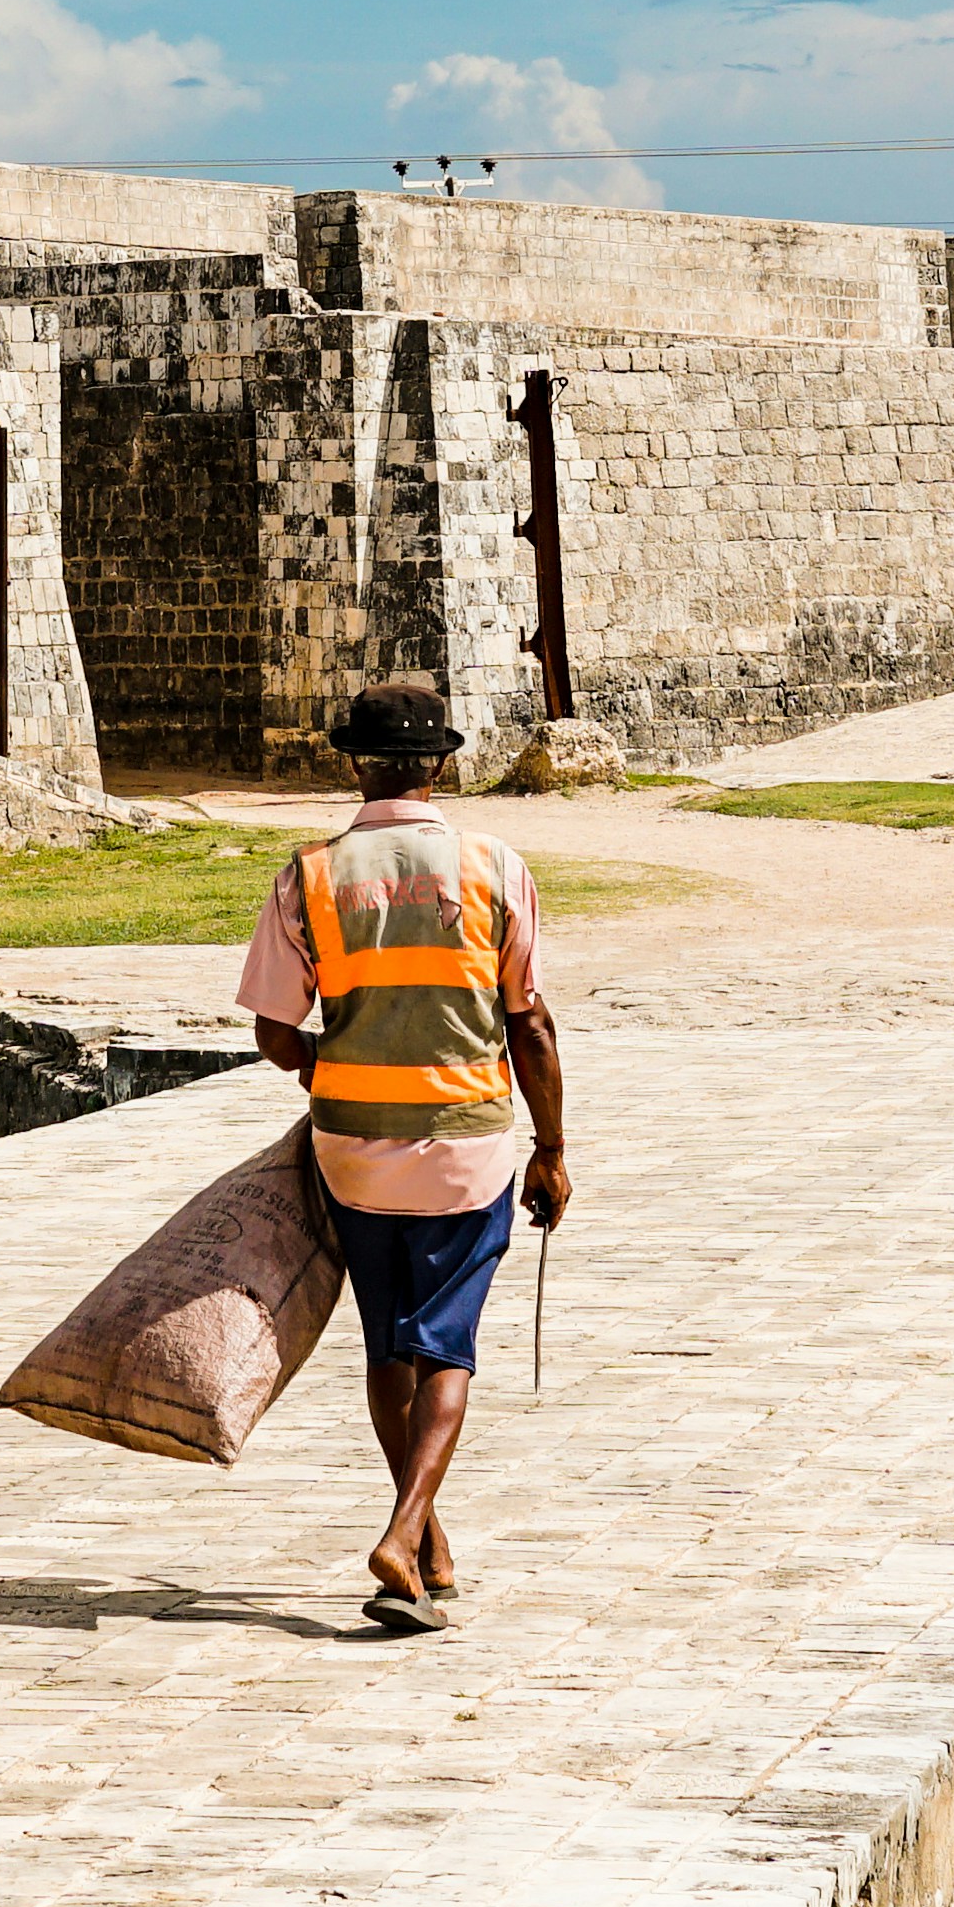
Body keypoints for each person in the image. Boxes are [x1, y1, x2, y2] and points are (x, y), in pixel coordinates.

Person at [236, 681, 574, 1633]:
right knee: (448, 1349)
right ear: (440, 767)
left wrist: (322, 1068)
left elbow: (273, 1026)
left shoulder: (311, 874)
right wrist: (550, 1148)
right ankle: (404, 1529)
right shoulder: (493, 867)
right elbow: (531, 1024)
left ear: (355, 764)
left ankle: (424, 1546)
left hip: (351, 1149)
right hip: (466, 1145)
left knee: (390, 1341)